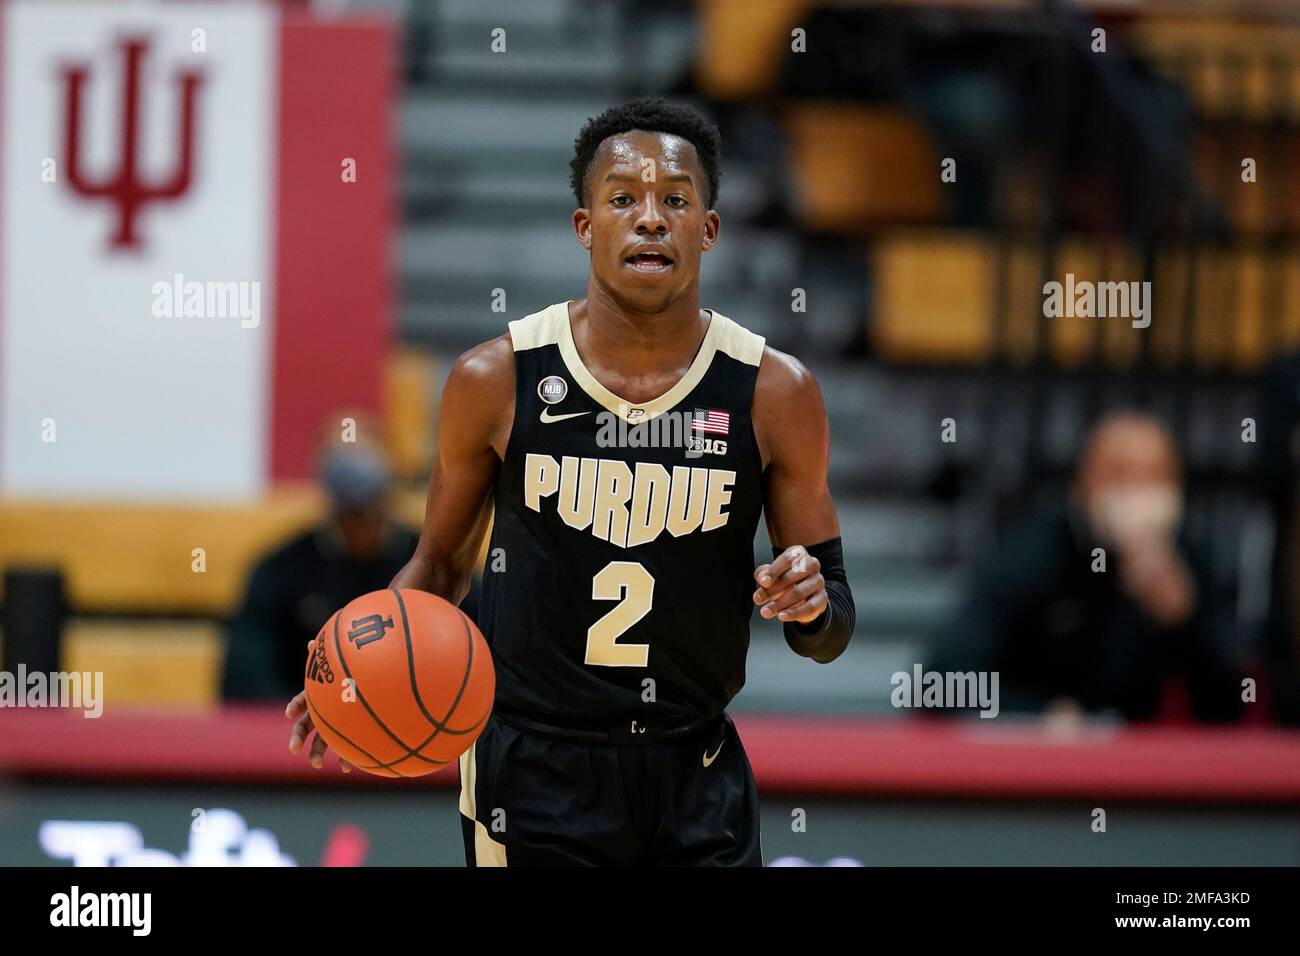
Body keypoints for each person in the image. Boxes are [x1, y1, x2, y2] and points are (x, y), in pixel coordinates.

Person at [286, 98, 856, 866]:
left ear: (709, 229)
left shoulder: (774, 392)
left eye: (675, 201)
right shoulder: (496, 378)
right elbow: (443, 564)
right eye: (623, 199)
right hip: (534, 771)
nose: (650, 219)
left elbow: (827, 630)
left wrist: (812, 602)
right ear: (585, 227)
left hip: (695, 768)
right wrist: (360, 677)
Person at [927, 411, 1242, 724]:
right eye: (1118, 473)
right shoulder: (1034, 554)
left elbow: (1229, 708)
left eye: (1156, 476)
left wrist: (1185, 621)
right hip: (1038, 759)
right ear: (1083, 484)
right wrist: (1040, 715)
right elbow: (942, 681)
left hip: (1137, 764)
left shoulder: (1188, 562)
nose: (1137, 491)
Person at [222, 441, 421, 701]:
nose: (362, 525)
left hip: (408, 715)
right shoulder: (281, 569)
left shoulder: (428, 564)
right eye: (352, 514)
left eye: (371, 509)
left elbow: (473, 635)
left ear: (389, 502)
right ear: (333, 509)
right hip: (304, 720)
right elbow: (245, 675)